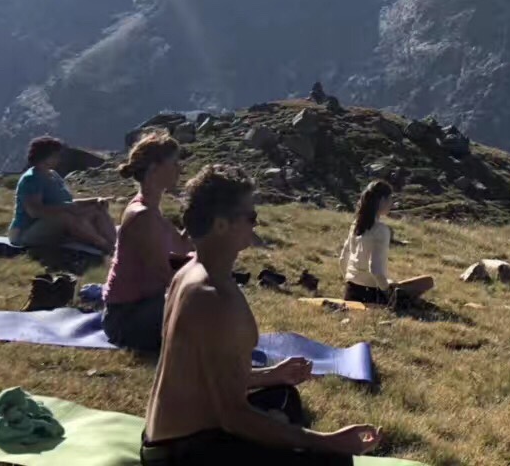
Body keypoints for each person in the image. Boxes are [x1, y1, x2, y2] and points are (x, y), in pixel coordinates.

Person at [141, 164, 382, 464]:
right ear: (220, 225)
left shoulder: (189, 273)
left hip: (167, 439)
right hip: (183, 452)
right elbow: (232, 416)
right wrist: (326, 441)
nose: (255, 224)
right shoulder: (213, 299)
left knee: (283, 396)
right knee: (333, 460)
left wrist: (272, 375)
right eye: (250, 217)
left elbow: (208, 378)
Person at [102, 132, 194, 352]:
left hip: (139, 309)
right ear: (154, 169)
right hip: (127, 318)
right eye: (173, 163)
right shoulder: (142, 215)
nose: (179, 169)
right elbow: (163, 275)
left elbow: (182, 246)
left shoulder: (151, 210)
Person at [9, 136, 116, 252]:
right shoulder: (32, 179)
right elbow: (34, 212)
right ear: (45, 156)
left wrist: (93, 201)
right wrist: (67, 208)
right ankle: (104, 245)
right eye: (55, 155)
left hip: (51, 224)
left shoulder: (53, 175)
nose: (59, 158)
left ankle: (116, 244)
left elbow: (67, 203)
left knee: (97, 210)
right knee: (66, 218)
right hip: (25, 233)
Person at [339, 180, 434, 308]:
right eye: (390, 199)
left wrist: (351, 280)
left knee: (395, 284)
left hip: (350, 291)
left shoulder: (355, 225)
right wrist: (387, 292)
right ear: (382, 200)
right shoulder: (381, 230)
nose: (391, 203)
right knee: (428, 281)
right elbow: (375, 269)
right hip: (371, 294)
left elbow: (342, 258)